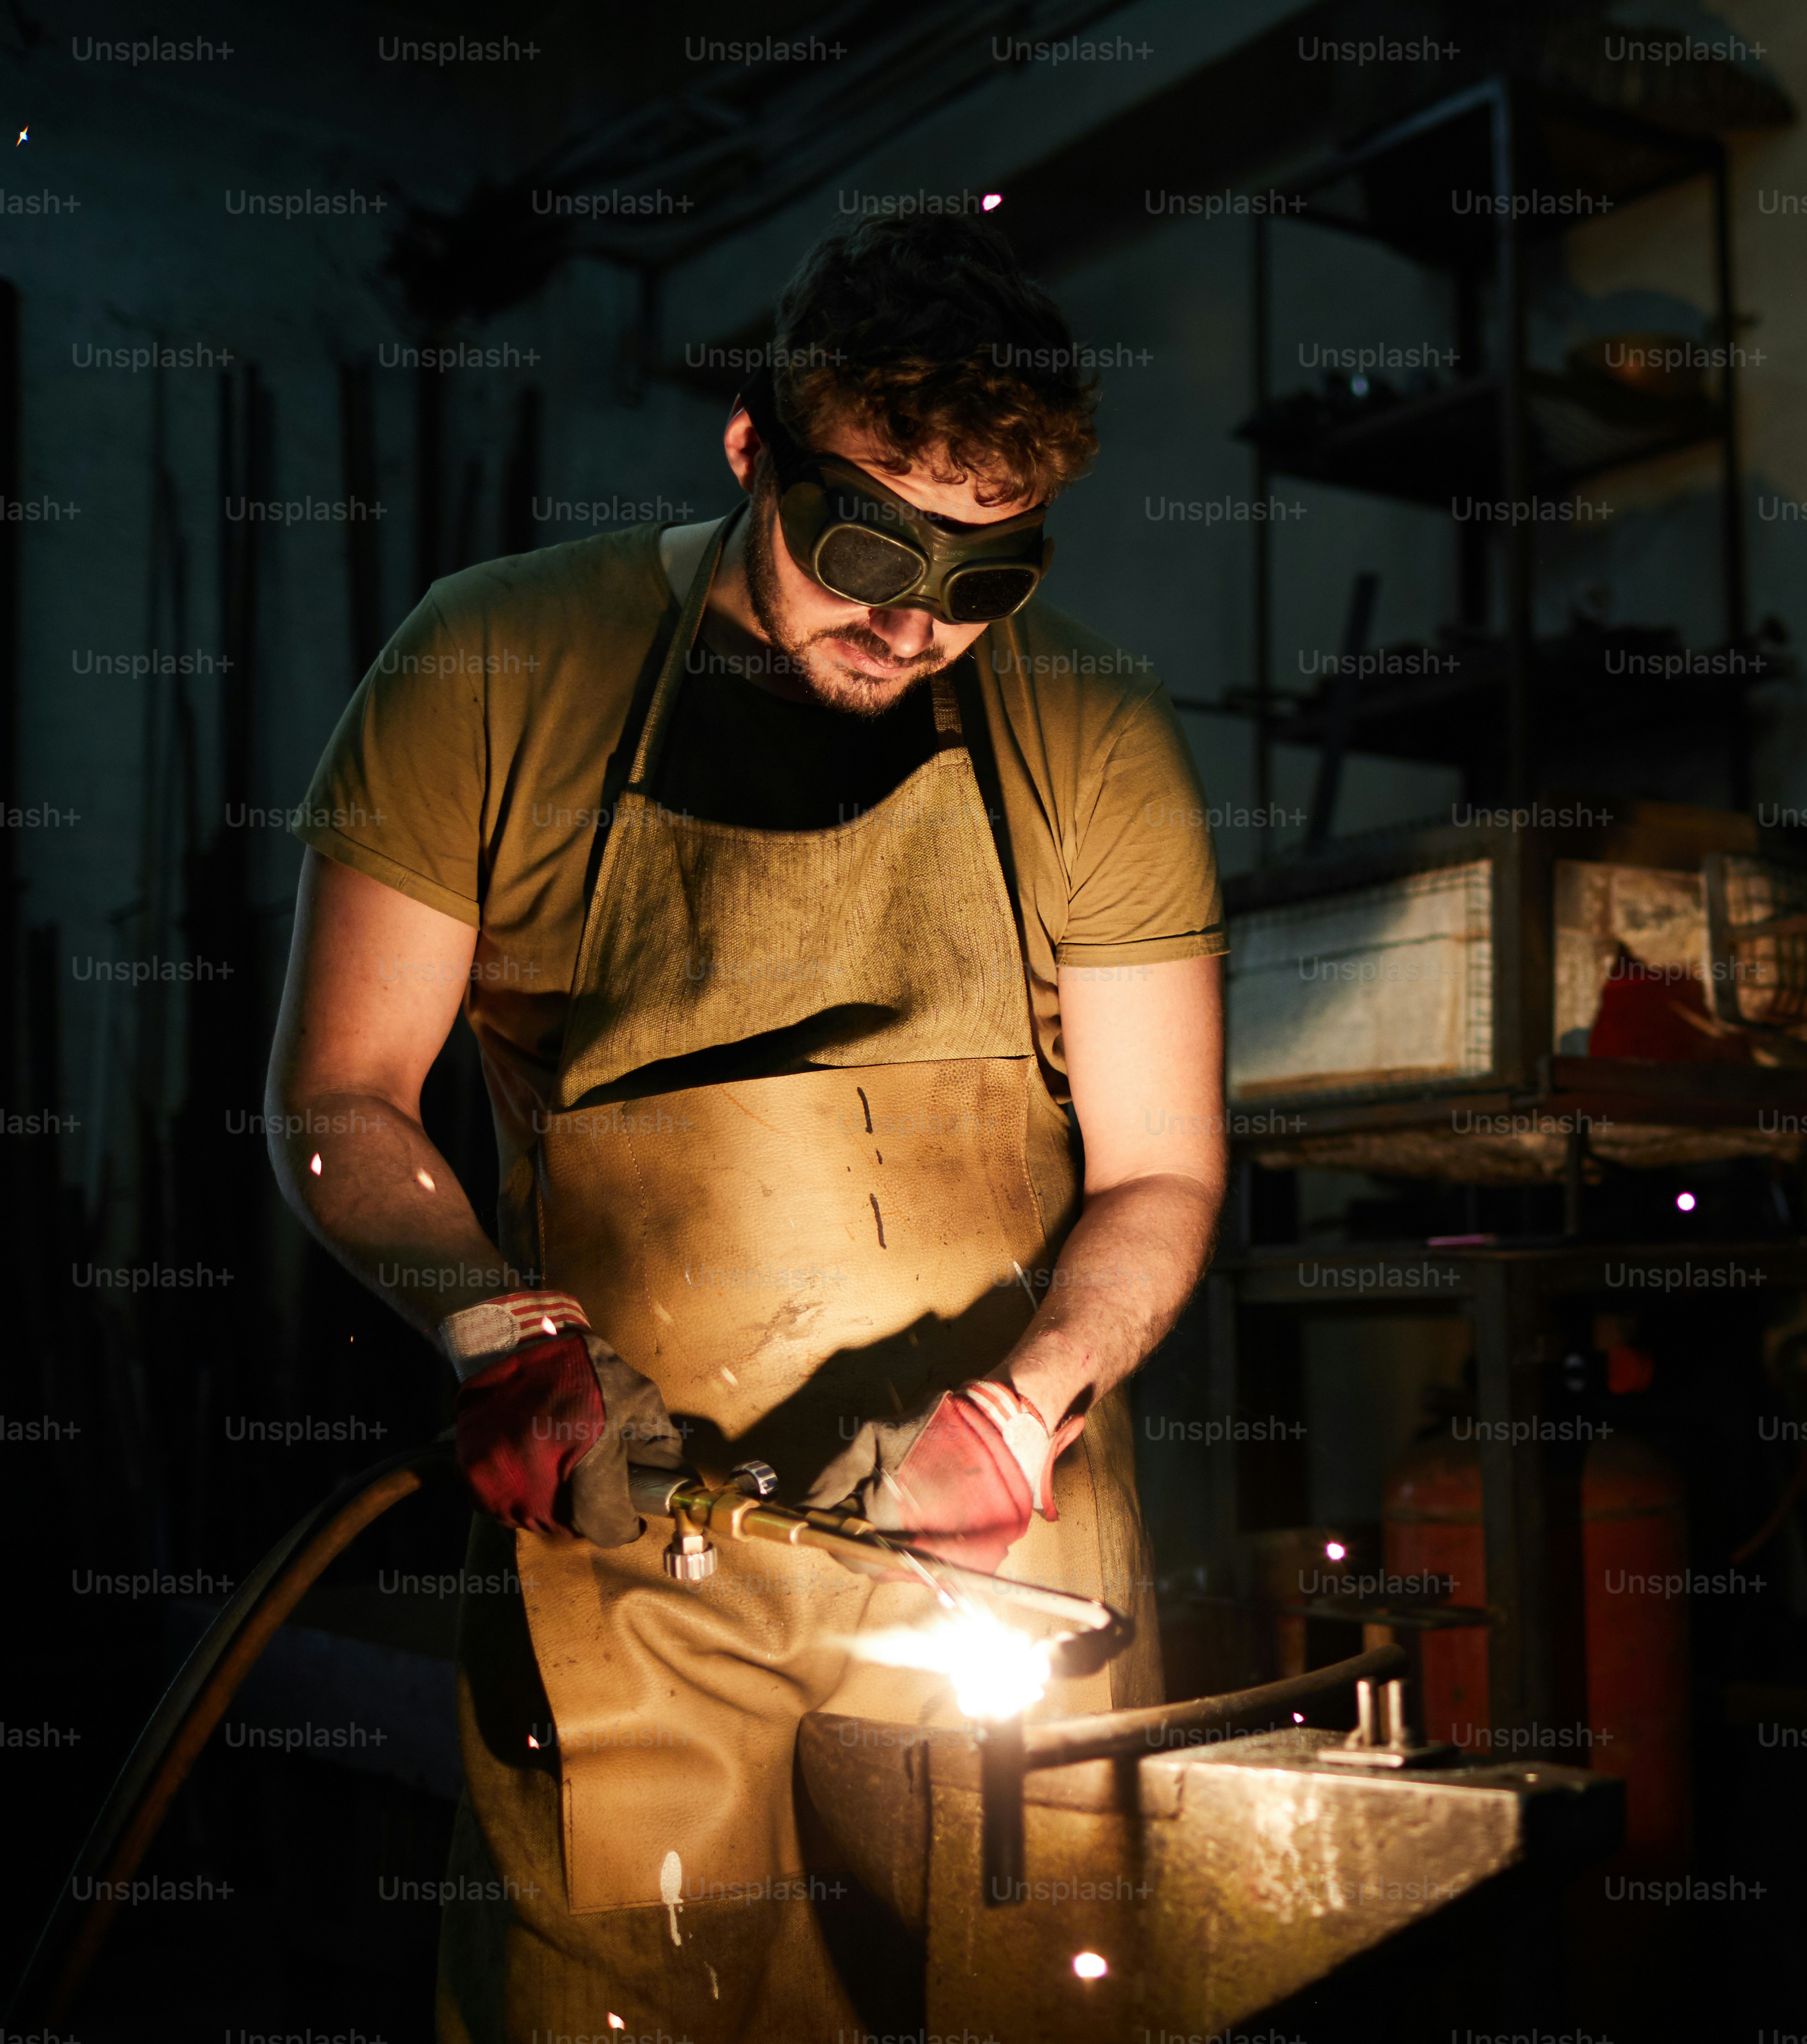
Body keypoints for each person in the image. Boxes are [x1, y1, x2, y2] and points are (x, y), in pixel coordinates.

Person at [263, 210, 1226, 2041]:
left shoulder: (1090, 726)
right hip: (624, 1524)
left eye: (980, 575)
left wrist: (1026, 1406)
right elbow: (338, 1096)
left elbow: (1164, 1167)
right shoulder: (495, 667)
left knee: (1029, 1991)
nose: (910, 618)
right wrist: (499, 1330)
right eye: (866, 541)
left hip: (996, 1531)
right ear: (747, 452)